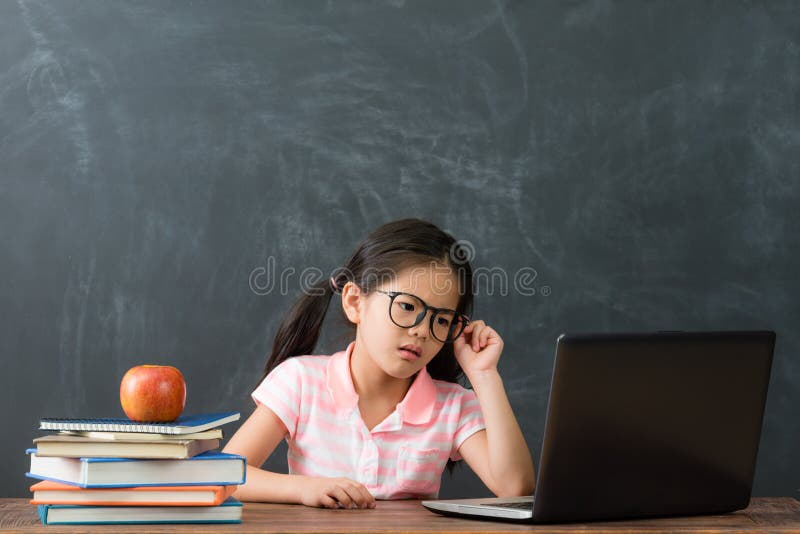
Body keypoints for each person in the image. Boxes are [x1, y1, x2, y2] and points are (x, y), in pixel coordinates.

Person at [223, 218, 535, 509]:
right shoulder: (301, 381)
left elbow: (515, 489)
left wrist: (484, 376)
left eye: (441, 320)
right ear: (354, 302)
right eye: (407, 306)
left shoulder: (451, 406)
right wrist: (306, 488)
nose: (422, 331)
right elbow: (226, 475)